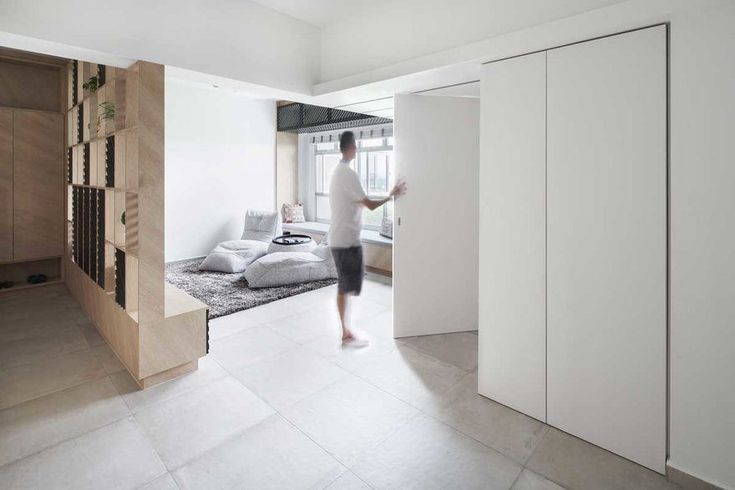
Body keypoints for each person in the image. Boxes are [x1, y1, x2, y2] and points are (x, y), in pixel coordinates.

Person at [329, 131, 406, 346]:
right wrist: (391, 194)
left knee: (350, 283)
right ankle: (345, 332)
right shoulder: (347, 174)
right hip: (344, 240)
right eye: (356, 145)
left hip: (346, 238)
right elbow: (369, 204)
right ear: (352, 146)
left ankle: (346, 330)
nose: (357, 148)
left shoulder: (339, 172)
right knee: (345, 286)